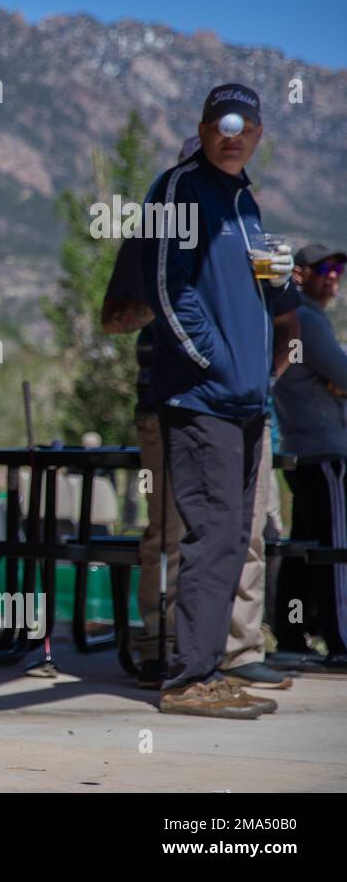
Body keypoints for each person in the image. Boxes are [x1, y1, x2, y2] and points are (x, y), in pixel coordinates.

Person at [102, 133, 297, 693]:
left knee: (245, 531)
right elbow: (114, 316)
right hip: (176, 401)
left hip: (242, 403)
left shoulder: (244, 228)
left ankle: (237, 649)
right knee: (175, 531)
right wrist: (192, 315)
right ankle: (162, 648)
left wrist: (258, 370)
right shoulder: (162, 226)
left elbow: (287, 315)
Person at [272, 244, 347, 668]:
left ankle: (291, 637)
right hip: (325, 452)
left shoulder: (301, 319)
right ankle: (341, 640)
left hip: (301, 451)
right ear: (299, 275)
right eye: (324, 269)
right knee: (335, 551)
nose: (334, 276)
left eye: (338, 269)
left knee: (303, 548)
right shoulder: (310, 323)